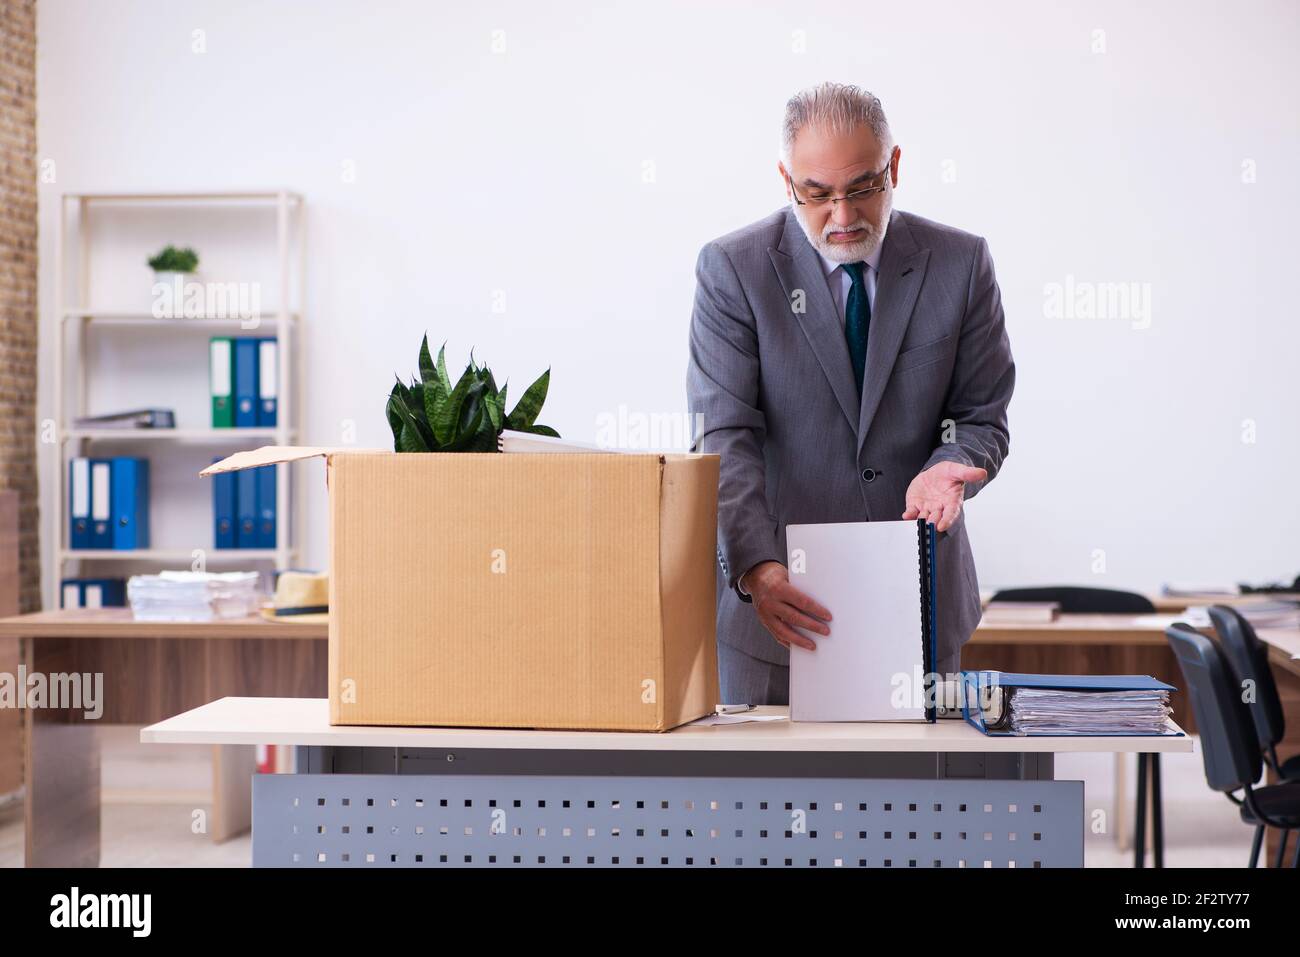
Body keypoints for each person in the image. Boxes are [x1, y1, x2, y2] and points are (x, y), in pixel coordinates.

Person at [687, 81, 1015, 705]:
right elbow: (725, 435)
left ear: (894, 167)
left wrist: (949, 465)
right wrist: (756, 567)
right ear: (786, 181)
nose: (843, 218)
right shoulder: (733, 269)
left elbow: (981, 414)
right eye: (817, 194)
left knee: (926, 776)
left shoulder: (961, 262)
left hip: (921, 601)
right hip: (775, 611)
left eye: (863, 188)